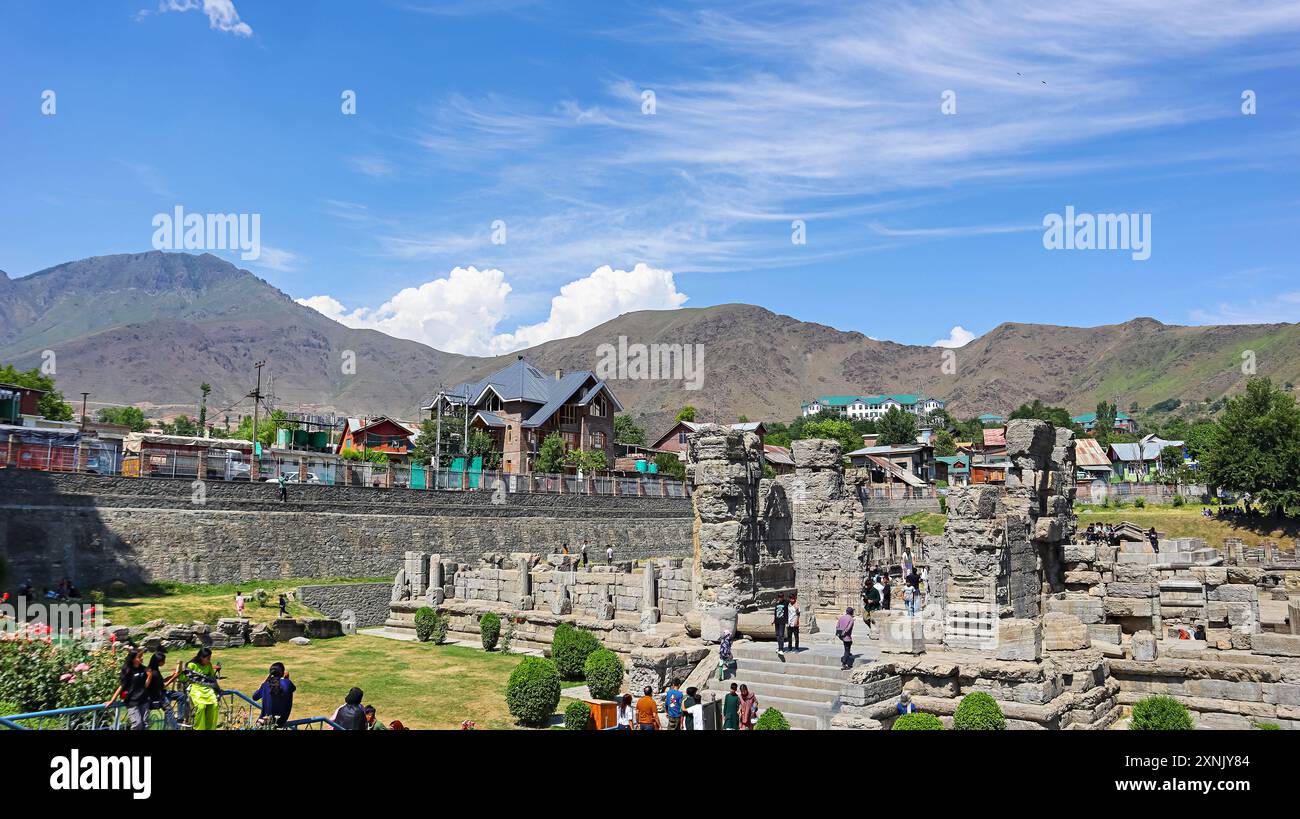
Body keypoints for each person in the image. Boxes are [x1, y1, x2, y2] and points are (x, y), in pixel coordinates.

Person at [105, 648, 150, 730]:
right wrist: (112, 700)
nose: (141, 658)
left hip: (144, 700)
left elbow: (145, 685)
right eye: (139, 657)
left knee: (145, 724)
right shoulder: (128, 670)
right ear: (133, 659)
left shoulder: (144, 669)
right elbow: (121, 686)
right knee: (137, 724)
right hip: (132, 701)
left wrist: (149, 676)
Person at [182, 647, 222, 731]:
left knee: (214, 705)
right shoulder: (192, 665)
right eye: (207, 658)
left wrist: (217, 689)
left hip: (208, 689)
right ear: (201, 657)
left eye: (210, 658)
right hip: (196, 688)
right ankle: (199, 728)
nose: (209, 660)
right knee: (201, 706)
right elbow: (185, 678)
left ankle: (210, 728)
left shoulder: (209, 665)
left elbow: (212, 679)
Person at [251, 661, 296, 728]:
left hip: (263, 723)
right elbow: (292, 689)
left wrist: (266, 680)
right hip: (281, 723)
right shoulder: (288, 683)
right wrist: (287, 679)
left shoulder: (265, 685)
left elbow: (255, 697)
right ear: (282, 673)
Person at [773, 592, 788, 656]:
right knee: (777, 635)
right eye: (779, 597)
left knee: (781, 635)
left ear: (783, 597)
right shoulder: (777, 604)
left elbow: (788, 611)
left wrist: (787, 621)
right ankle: (779, 647)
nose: (780, 598)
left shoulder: (785, 603)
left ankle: (781, 649)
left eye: (781, 597)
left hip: (782, 621)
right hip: (777, 621)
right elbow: (775, 612)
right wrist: (773, 620)